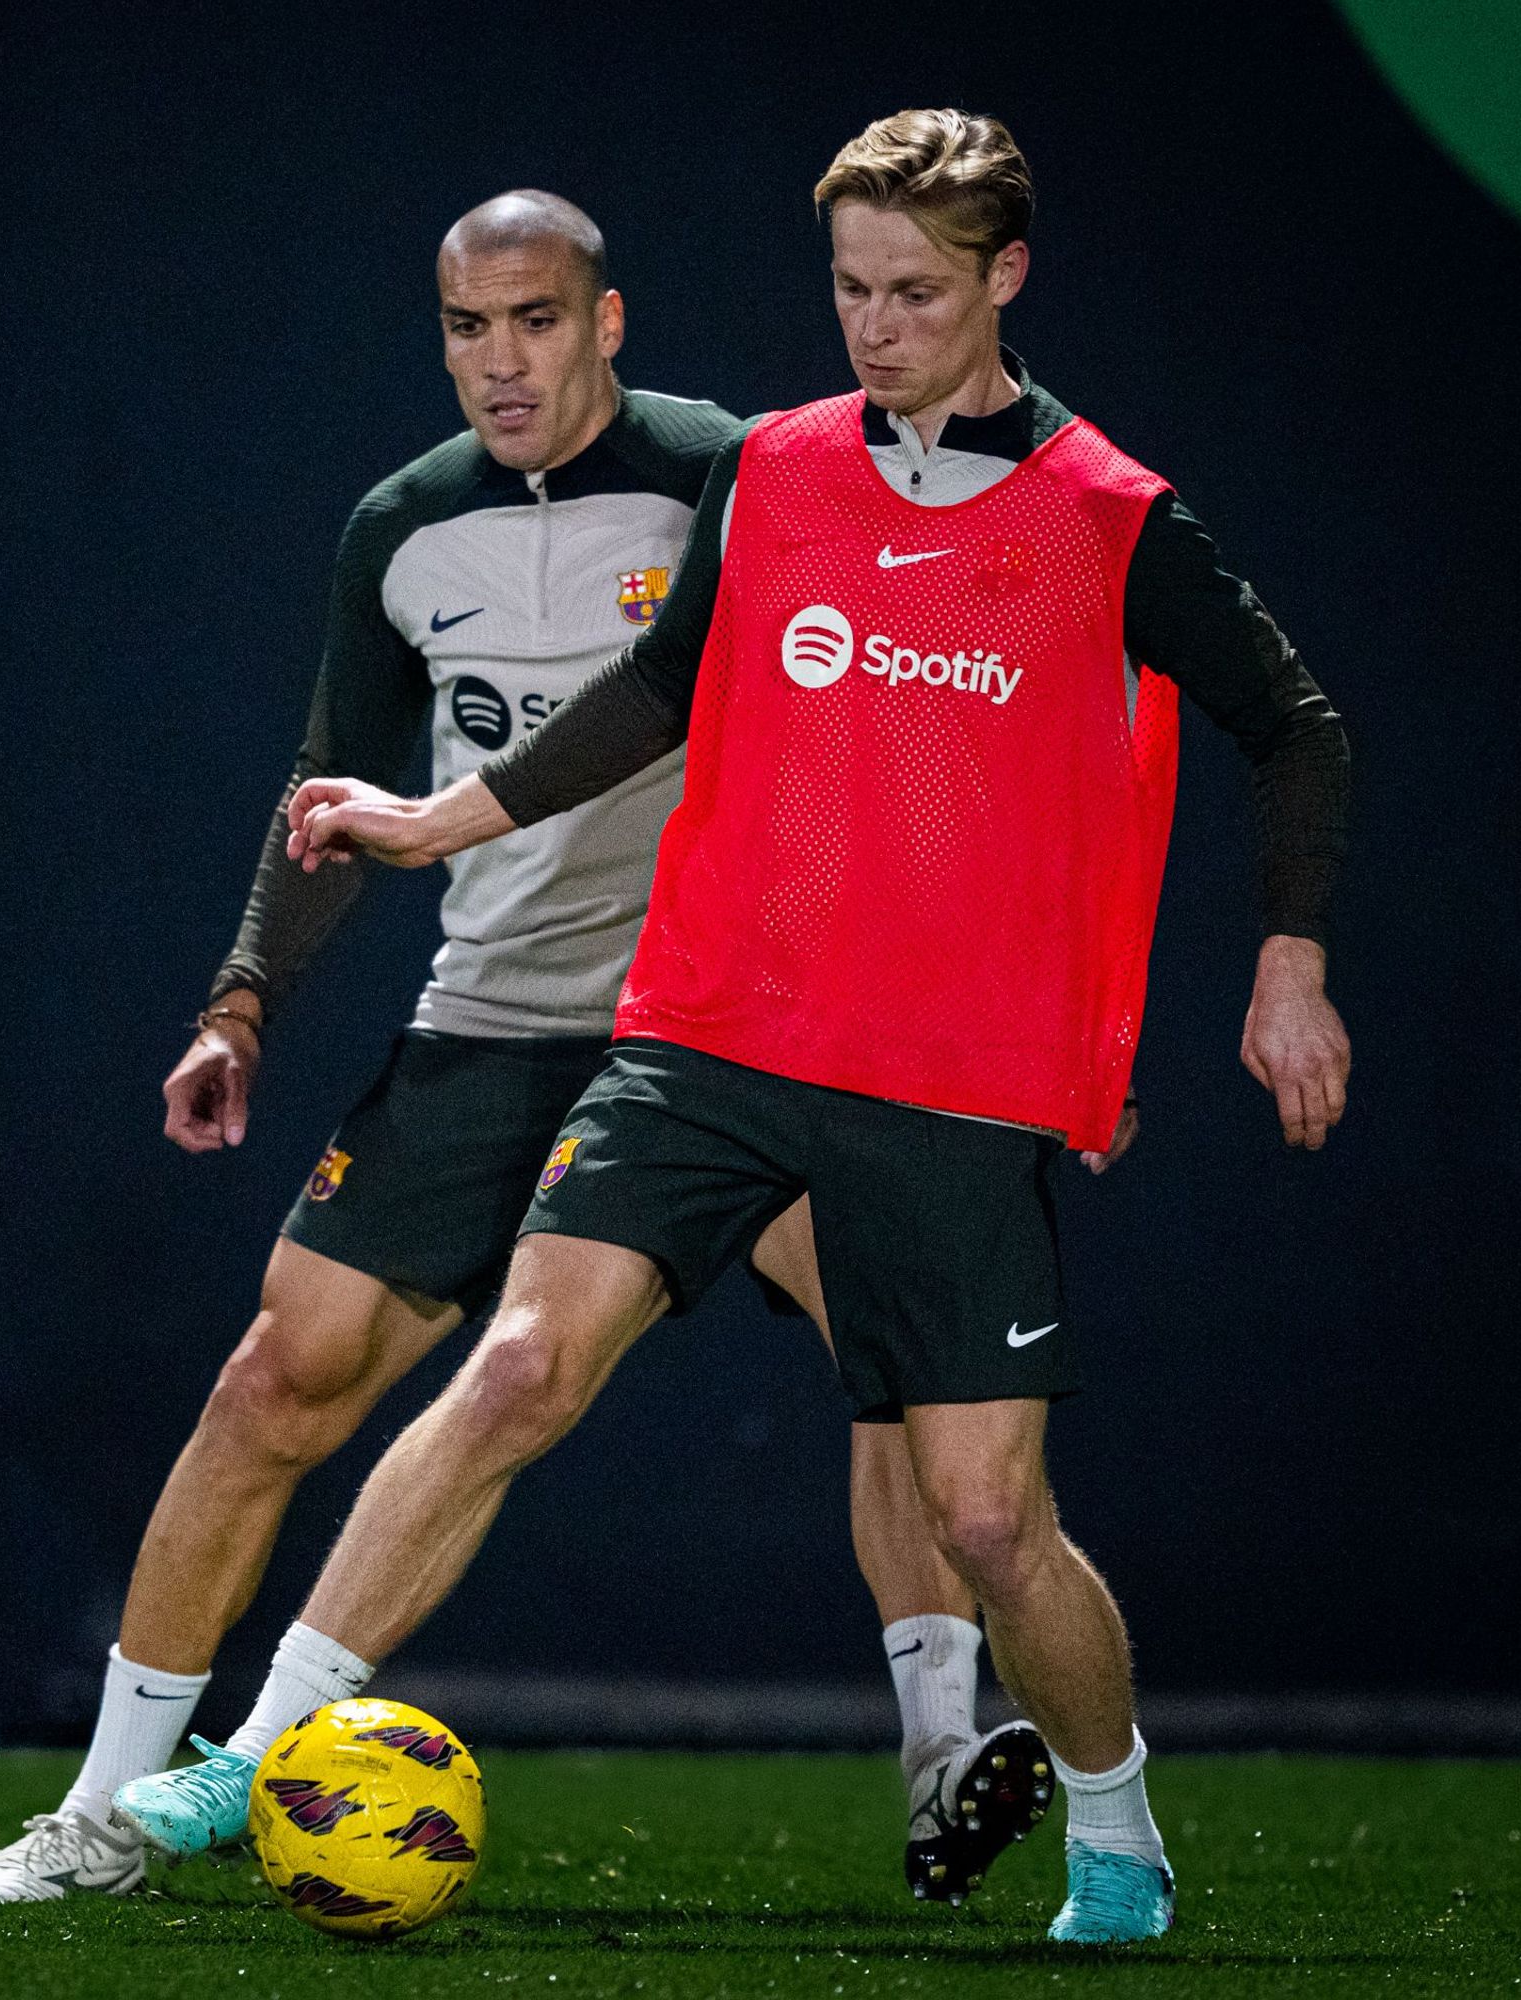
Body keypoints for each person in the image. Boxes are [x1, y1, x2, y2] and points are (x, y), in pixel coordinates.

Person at [119, 110, 1353, 1950]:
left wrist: (1288, 966)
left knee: (991, 1518)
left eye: (915, 293)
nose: (874, 325)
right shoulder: (776, 472)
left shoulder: (1105, 514)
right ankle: (265, 1741)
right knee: (522, 1362)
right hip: (711, 1031)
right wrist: (428, 818)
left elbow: (1297, 727)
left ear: (1006, 278)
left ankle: (1115, 1832)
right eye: (850, 287)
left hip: (944, 1077)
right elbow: (650, 692)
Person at [0, 190, 1070, 1912]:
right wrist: (242, 1004)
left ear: (607, 323)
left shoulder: (742, 473)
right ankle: (107, 1811)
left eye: (536, 320)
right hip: (494, 1020)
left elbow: (916, 711)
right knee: (273, 1381)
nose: (501, 361)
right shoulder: (401, 528)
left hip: (732, 1032)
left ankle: (941, 1753)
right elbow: (337, 779)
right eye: (469, 329)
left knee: (908, 1372)